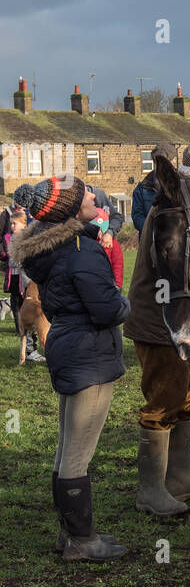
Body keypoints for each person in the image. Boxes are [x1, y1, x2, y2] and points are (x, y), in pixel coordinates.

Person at [10, 176, 130, 561]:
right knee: (78, 452)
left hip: (67, 345)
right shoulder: (81, 250)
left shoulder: (56, 249)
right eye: (85, 194)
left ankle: (70, 533)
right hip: (88, 353)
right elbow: (107, 308)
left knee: (66, 448)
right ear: (71, 209)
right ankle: (81, 540)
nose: (94, 195)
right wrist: (126, 305)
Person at [124, 141, 190, 516]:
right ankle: (150, 492)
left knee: (184, 401)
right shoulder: (171, 209)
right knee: (162, 404)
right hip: (160, 321)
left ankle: (179, 478)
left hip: (180, 320)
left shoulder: (186, 206)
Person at [3, 207, 41, 356]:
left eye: (15, 223)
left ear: (24, 225)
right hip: (13, 281)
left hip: (26, 283)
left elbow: (21, 261)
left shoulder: (27, 239)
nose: (12, 226)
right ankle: (26, 351)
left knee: (29, 315)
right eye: (11, 224)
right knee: (18, 313)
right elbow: (12, 261)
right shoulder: (11, 238)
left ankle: (32, 349)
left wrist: (17, 259)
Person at [93, 207, 125, 289]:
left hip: (110, 283)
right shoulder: (87, 242)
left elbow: (118, 264)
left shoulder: (113, 244)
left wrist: (117, 284)